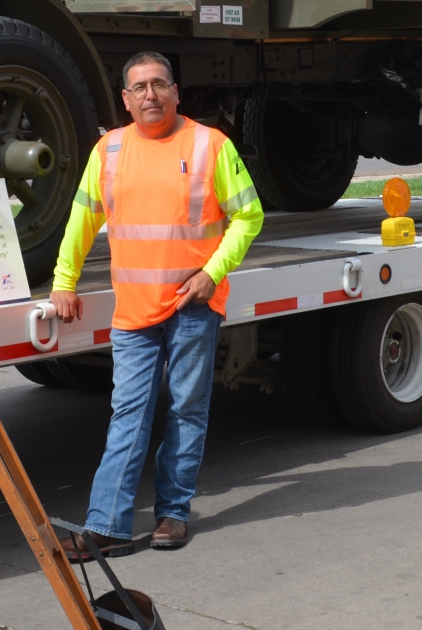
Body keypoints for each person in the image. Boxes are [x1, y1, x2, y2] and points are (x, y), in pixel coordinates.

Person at [49, 51, 263, 557]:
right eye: (140, 87)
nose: (150, 94)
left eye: (159, 84)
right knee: (130, 413)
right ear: (125, 99)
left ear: (176, 91)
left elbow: (249, 216)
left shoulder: (211, 145)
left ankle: (173, 514)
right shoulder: (109, 150)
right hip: (134, 310)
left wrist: (213, 274)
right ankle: (107, 525)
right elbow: (81, 221)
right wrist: (64, 281)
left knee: (187, 410)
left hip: (193, 306)